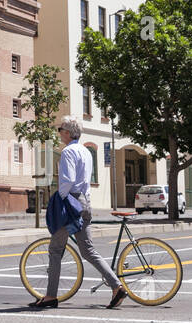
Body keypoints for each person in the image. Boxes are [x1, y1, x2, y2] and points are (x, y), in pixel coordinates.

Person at [30, 116, 127, 310]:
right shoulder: (86, 151)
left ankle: (50, 296)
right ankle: (116, 286)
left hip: (71, 203)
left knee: (56, 249)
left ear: (67, 132)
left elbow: (67, 180)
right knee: (88, 250)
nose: (59, 133)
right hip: (85, 202)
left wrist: (59, 198)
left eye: (60, 130)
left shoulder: (68, 152)